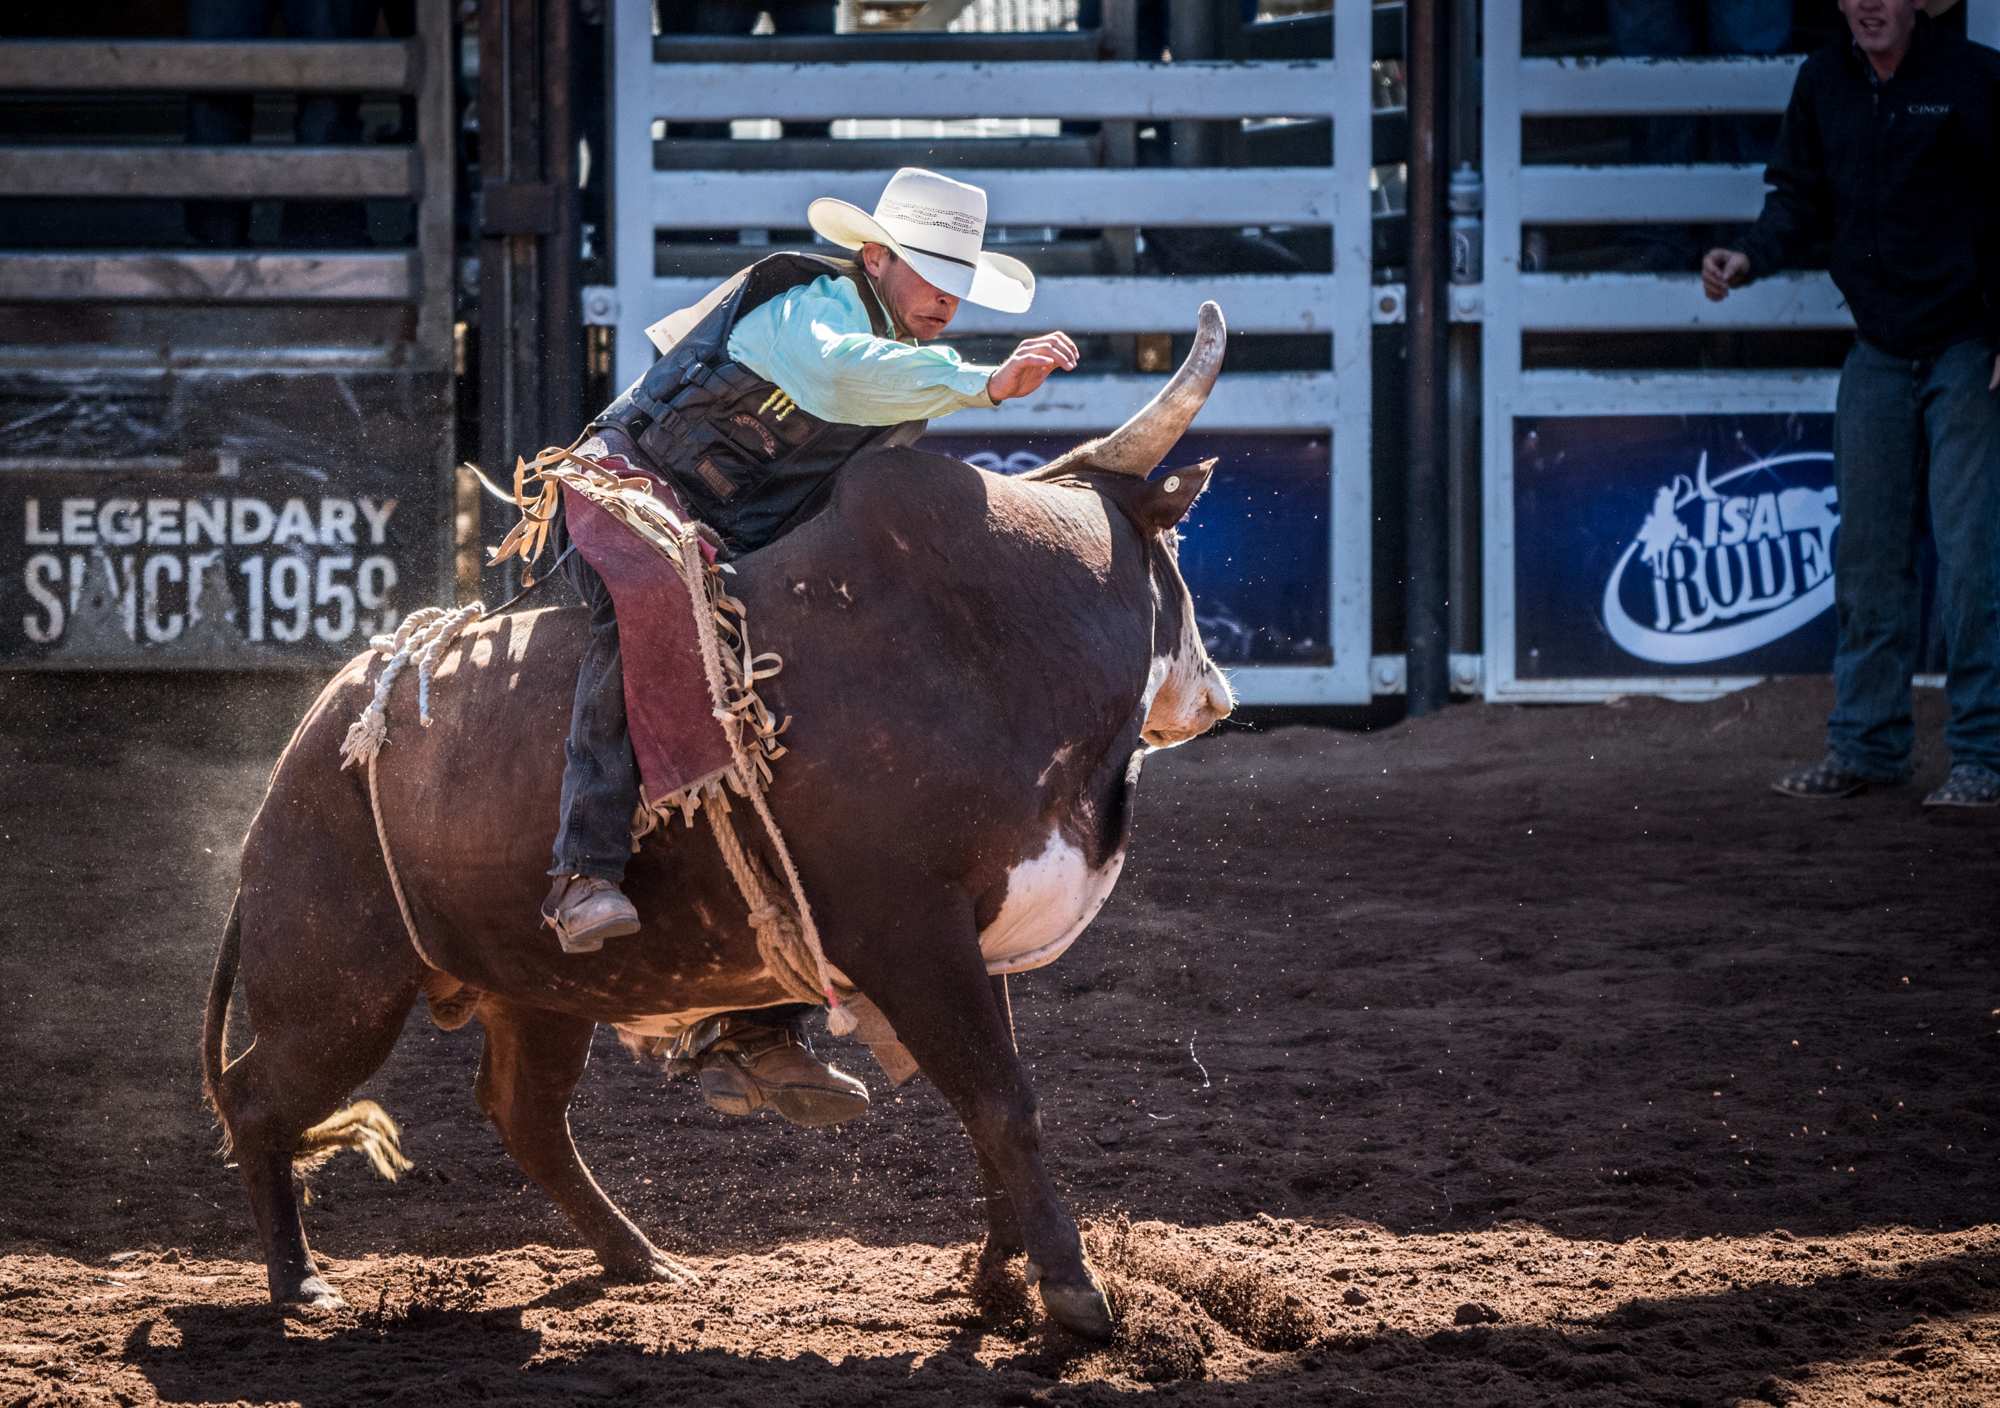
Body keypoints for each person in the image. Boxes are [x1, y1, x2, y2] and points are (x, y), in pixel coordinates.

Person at [545, 168, 1079, 1125]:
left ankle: (757, 1013)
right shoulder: (811, 314)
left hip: (733, 544)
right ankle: (584, 868)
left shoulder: (889, 368)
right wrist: (984, 384)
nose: (948, 296)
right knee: (650, 602)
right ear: (875, 259)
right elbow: (844, 374)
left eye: (959, 278)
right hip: (620, 497)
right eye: (930, 271)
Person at [1703, 0, 2000, 808]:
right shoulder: (1824, 80)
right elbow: (1797, 198)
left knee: (1972, 560)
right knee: (1868, 557)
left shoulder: (1974, 79)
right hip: (1880, 344)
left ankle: (1982, 753)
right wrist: (1751, 256)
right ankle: (1870, 746)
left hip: (1967, 343)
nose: (1868, 4)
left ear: (1918, 2)